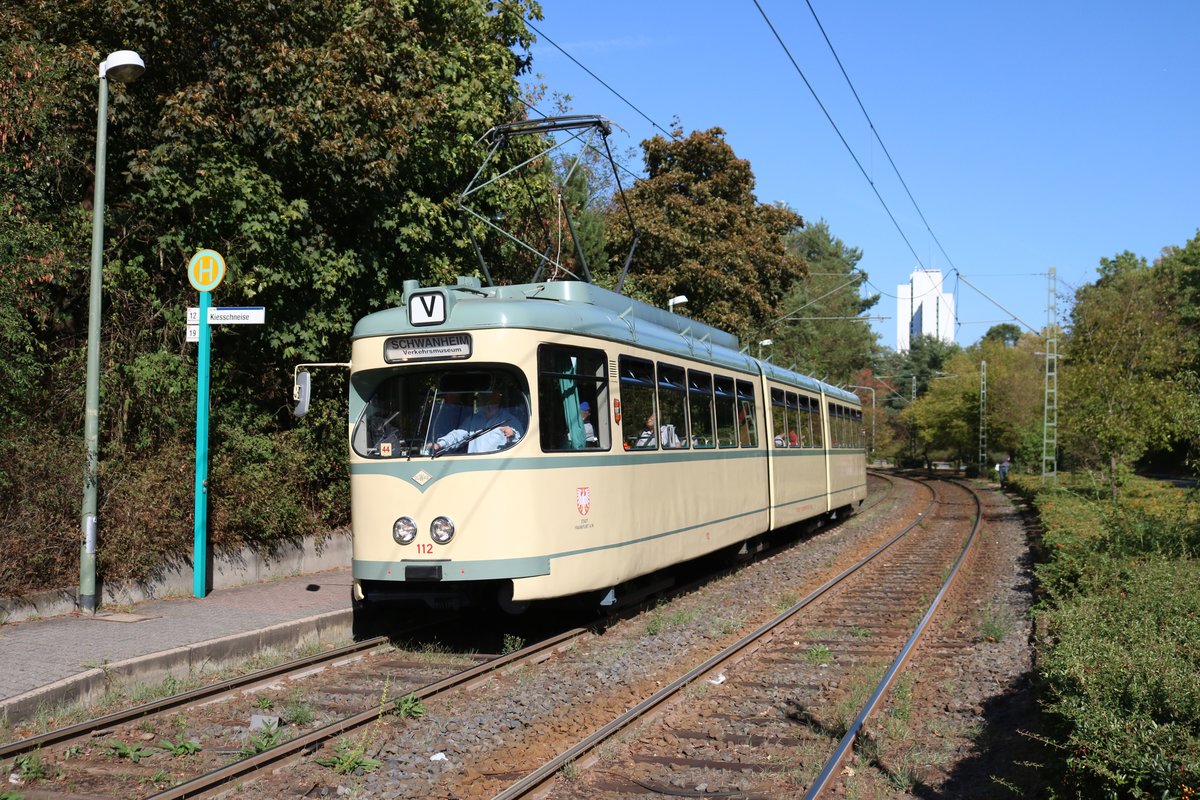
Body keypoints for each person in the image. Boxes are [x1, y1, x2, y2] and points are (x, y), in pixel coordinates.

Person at [432, 392, 522, 454]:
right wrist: (440, 444)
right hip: (474, 465)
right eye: (488, 397)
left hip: (498, 467)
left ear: (499, 399)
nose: (491, 400)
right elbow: (458, 435)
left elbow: (522, 442)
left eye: (495, 397)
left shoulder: (510, 420)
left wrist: (512, 434)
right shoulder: (473, 419)